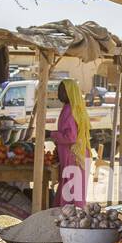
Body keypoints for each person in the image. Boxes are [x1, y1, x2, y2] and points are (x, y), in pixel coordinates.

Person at [51, 78, 90, 207]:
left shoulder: (70, 110)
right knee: (72, 191)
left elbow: (70, 137)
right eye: (59, 90)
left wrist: (52, 134)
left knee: (72, 193)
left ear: (70, 92)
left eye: (63, 90)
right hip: (76, 155)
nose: (59, 93)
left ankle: (72, 217)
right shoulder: (74, 108)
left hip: (73, 156)